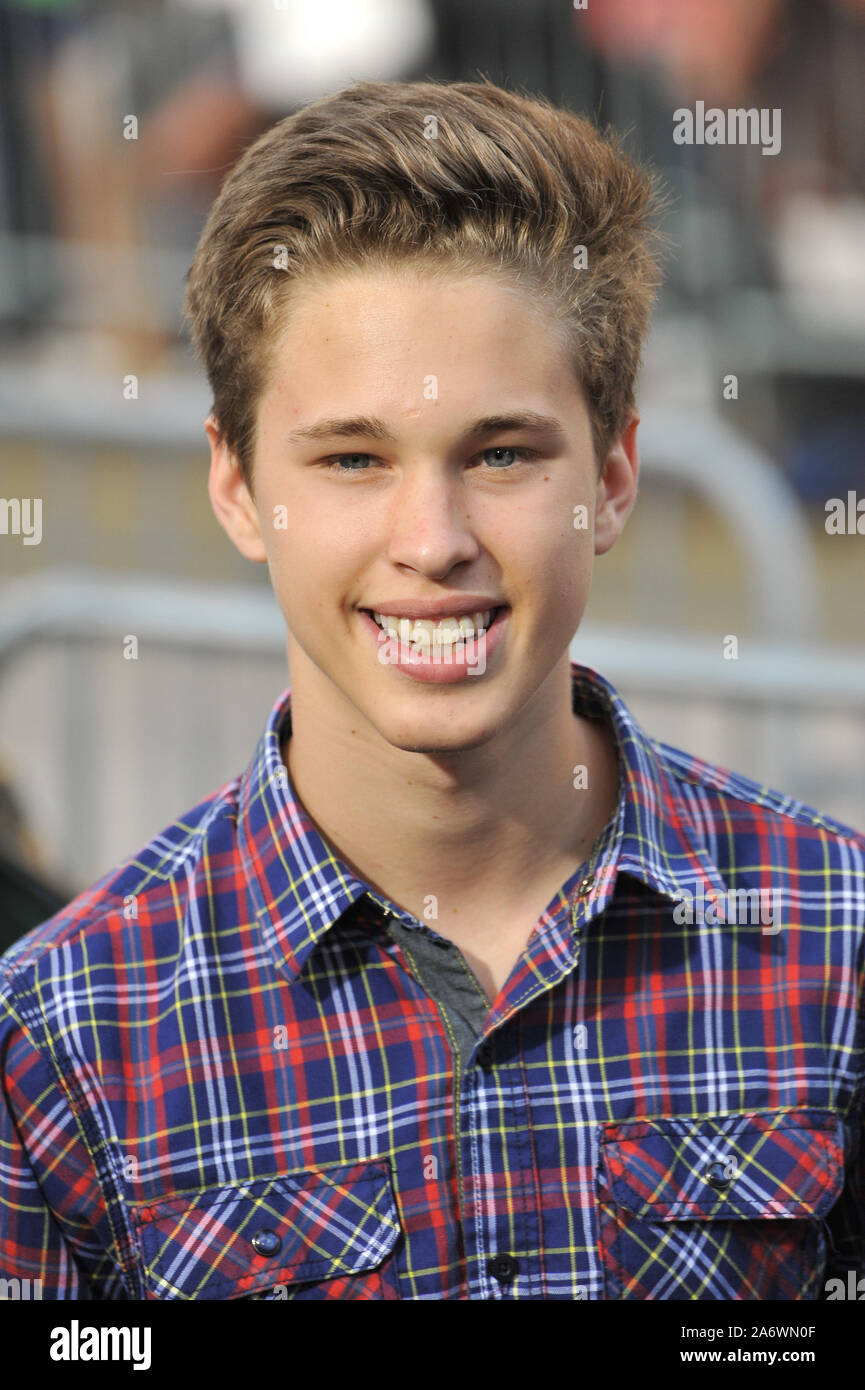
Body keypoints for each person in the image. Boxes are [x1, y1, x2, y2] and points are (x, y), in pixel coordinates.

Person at [1, 78, 863, 1302]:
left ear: (614, 476)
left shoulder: (837, 939)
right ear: (238, 487)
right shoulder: (65, 1036)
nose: (432, 540)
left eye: (500, 453)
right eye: (353, 458)